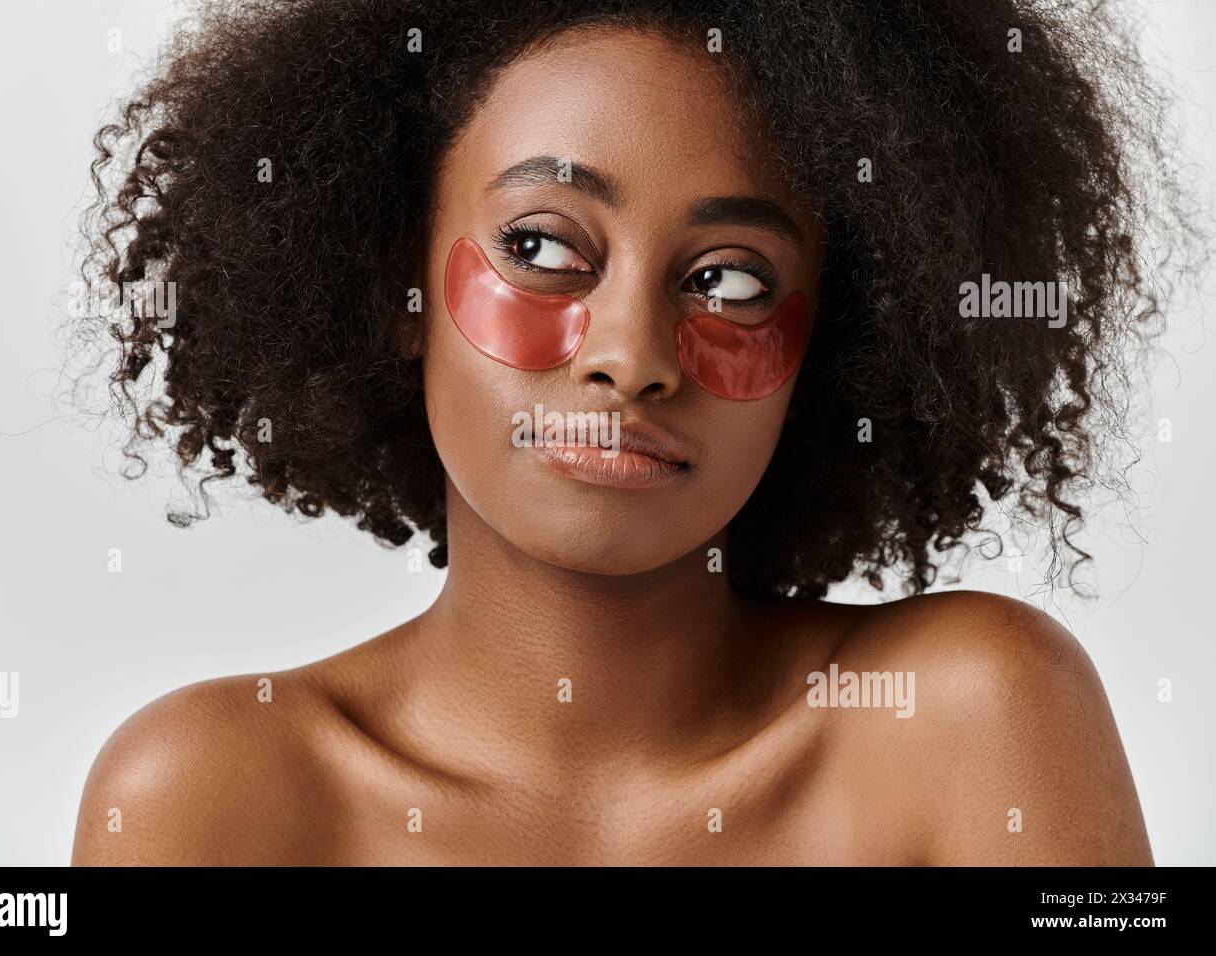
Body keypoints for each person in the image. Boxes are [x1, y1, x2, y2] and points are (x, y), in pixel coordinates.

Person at [71, 0, 1185, 865]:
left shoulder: (976, 710)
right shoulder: (205, 793)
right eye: (545, 249)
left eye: (729, 279)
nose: (632, 355)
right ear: (393, 287)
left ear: (833, 343)